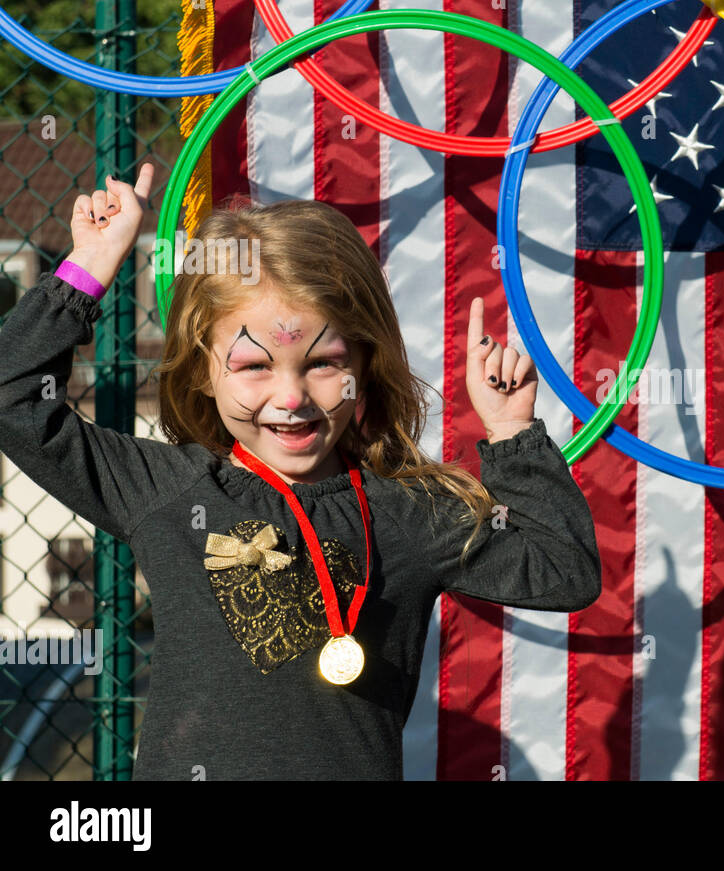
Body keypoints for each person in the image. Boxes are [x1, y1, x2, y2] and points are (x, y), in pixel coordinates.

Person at [0, 164, 601, 780]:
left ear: (365, 366)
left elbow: (564, 572)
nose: (291, 398)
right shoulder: (163, 489)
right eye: (254, 366)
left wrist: (512, 433)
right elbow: (12, 397)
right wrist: (87, 268)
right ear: (204, 369)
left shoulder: (410, 512)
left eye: (322, 364)